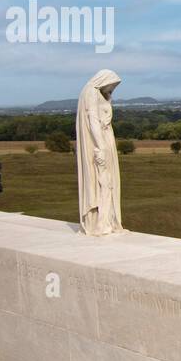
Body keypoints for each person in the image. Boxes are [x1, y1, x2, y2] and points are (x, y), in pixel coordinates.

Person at [75, 69, 125, 236]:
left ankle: (107, 221)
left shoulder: (95, 93)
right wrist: (100, 146)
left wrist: (108, 97)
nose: (112, 91)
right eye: (111, 87)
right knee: (105, 183)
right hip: (101, 143)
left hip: (104, 139)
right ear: (103, 81)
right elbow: (93, 121)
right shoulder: (91, 92)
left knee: (108, 182)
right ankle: (101, 223)